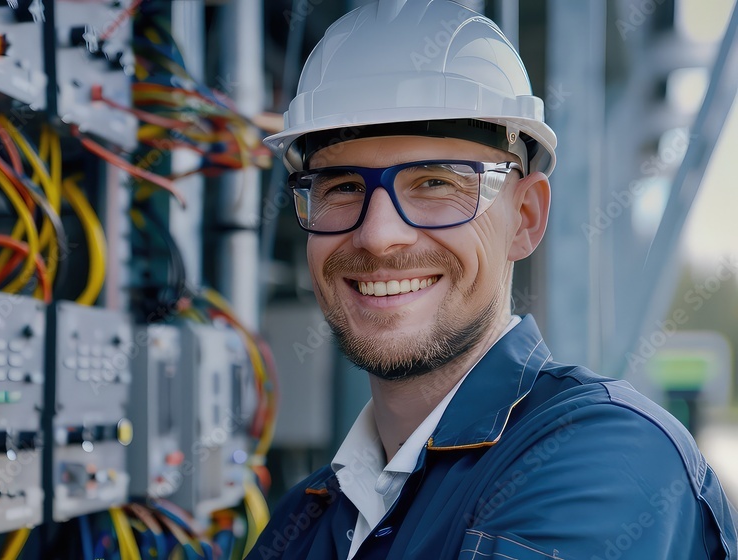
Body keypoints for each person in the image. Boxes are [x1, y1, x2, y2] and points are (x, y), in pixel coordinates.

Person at [250, 0, 738, 558]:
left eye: (435, 184)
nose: (379, 236)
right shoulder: (303, 518)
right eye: (340, 188)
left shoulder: (607, 459)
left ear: (525, 219)